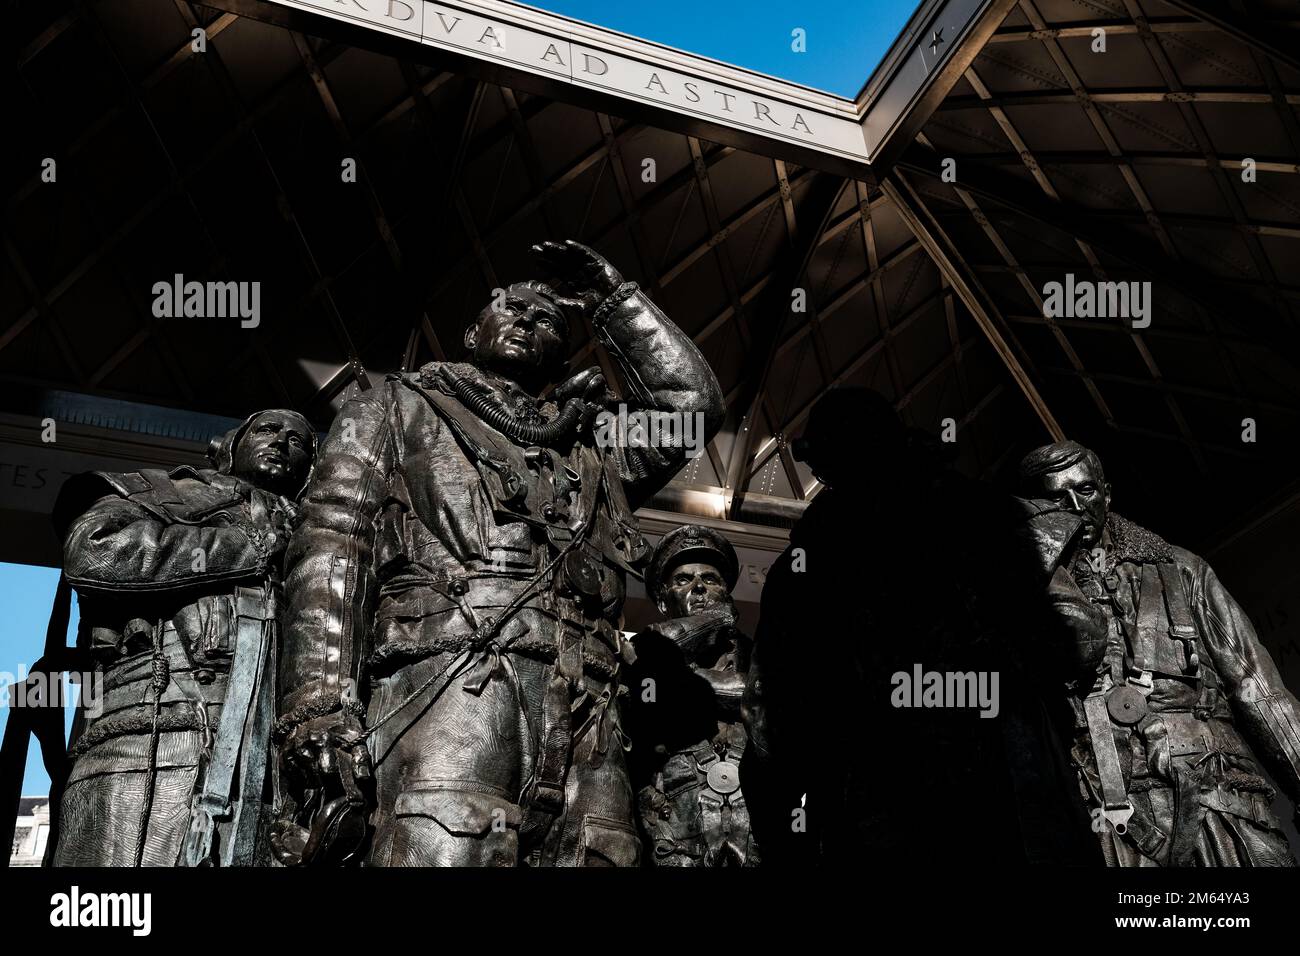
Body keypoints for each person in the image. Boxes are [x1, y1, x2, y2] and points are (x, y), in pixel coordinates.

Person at [272, 239, 723, 866]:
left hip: (587, 709)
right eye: (511, 309)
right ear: (470, 330)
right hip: (449, 688)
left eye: (548, 320)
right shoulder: (395, 406)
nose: (528, 320)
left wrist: (614, 302)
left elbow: (691, 410)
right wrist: (319, 704)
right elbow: (332, 541)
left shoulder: (593, 442)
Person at [49, 409, 315, 866]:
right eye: (268, 430)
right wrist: (250, 548)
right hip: (151, 742)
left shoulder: (320, 535)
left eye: (299, 441)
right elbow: (94, 550)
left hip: (278, 771)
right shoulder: (159, 490)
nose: (282, 443)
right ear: (231, 446)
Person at [1020, 440, 1300, 866]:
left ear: (1107, 493)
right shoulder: (1027, 598)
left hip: (1218, 797)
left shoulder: (1181, 570)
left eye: (1086, 491)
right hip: (1109, 815)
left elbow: (1255, 684)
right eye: (1058, 498)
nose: (1076, 507)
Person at [627, 524, 758, 866]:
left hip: (755, 825)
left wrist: (684, 682)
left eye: (711, 579)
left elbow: (768, 700)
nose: (698, 586)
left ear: (727, 591)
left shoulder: (759, 653)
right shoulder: (643, 651)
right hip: (672, 827)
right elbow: (646, 699)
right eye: (683, 579)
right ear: (663, 599)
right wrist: (712, 623)